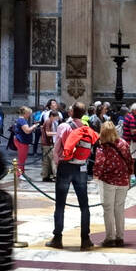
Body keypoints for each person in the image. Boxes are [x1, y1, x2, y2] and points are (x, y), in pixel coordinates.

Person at [47, 103, 95, 250]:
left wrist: (58, 162)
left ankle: (57, 238)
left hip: (66, 166)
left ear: (72, 111)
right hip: (81, 166)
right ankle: (85, 239)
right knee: (84, 205)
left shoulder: (63, 127)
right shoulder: (86, 128)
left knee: (60, 204)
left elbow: (57, 148)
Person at [93, 120, 134, 246]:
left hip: (108, 181)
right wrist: (129, 176)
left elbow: (99, 163)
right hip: (123, 181)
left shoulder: (102, 146)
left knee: (108, 209)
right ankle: (120, 237)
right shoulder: (124, 143)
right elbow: (130, 161)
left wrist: (95, 176)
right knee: (119, 209)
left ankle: (110, 238)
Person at [10, 106, 35, 175]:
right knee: (22, 158)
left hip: (21, 141)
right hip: (22, 141)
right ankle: (19, 174)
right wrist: (34, 126)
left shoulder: (20, 120)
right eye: (29, 113)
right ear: (25, 113)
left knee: (22, 158)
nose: (30, 115)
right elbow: (27, 131)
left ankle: (21, 173)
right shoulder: (22, 120)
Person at [39, 108, 60, 182]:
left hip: (47, 143)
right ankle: (55, 175)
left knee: (46, 160)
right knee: (53, 159)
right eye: (56, 117)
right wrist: (57, 133)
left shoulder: (50, 122)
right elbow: (48, 133)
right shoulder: (48, 122)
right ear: (51, 116)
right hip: (47, 144)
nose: (56, 119)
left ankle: (46, 175)